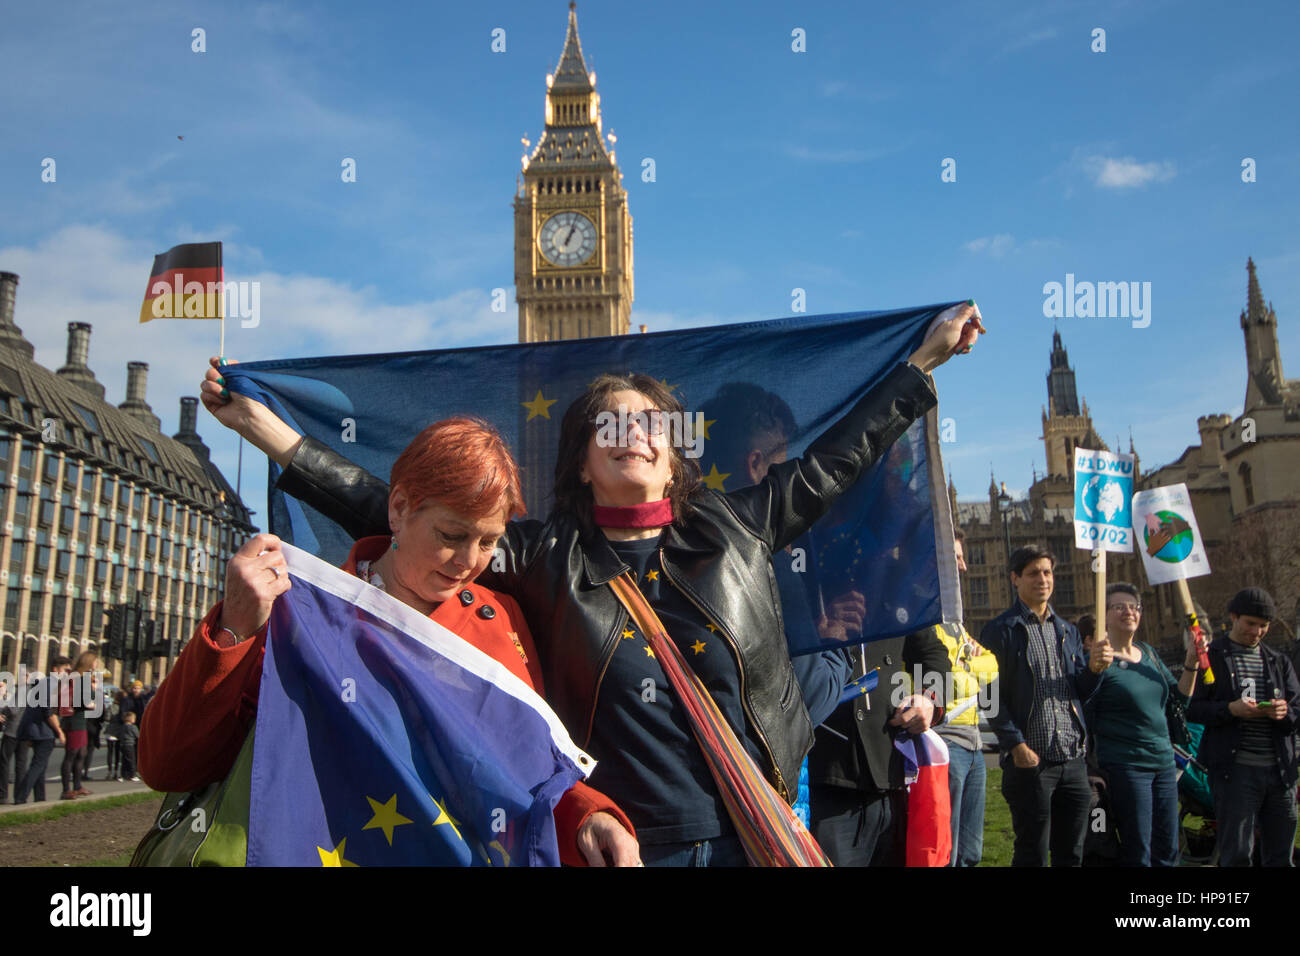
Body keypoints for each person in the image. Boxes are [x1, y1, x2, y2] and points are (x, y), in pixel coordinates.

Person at [201, 302, 984, 865]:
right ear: (582, 459)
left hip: (760, 821)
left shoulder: (740, 528)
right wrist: (265, 431)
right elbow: (393, 507)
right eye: (611, 424)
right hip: (633, 842)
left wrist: (923, 362)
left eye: (651, 424)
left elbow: (836, 459)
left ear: (674, 455)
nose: (633, 435)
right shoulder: (545, 558)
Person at [141, 418, 640, 867]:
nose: (469, 560)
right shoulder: (299, 614)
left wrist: (588, 816)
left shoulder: (498, 619)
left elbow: (521, 764)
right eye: (452, 533)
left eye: (488, 541)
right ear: (399, 509)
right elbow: (166, 763)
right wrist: (234, 629)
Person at [980, 545, 1111, 866]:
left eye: (1048, 572)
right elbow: (988, 694)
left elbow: (1079, 692)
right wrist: (1016, 745)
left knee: (1072, 853)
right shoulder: (999, 631)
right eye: (1034, 573)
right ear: (1015, 578)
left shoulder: (1066, 630)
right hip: (1031, 762)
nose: (1043, 579)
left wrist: (1094, 671)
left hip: (1072, 759)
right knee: (1033, 852)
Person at [1085, 582, 1198, 866]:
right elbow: (1085, 716)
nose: (1128, 612)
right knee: (1140, 850)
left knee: (1168, 849)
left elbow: (1179, 700)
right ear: (1105, 614)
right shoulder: (1099, 662)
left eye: (1134, 606)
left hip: (1163, 763)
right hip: (1127, 767)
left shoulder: (1148, 653)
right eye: (1119, 606)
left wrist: (1191, 663)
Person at [1187, 587, 1300, 866]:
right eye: (1251, 624)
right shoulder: (1211, 657)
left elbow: (1297, 711)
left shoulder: (1278, 661)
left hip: (1279, 771)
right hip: (1234, 773)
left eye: (1263, 626)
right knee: (1237, 854)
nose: (1257, 632)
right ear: (1234, 617)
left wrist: (1283, 712)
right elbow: (1193, 708)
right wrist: (1230, 710)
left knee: (1280, 854)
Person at [915, 528, 997, 867]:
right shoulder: (924, 618)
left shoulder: (955, 623)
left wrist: (965, 661)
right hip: (944, 743)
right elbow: (940, 679)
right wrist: (965, 663)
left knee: (970, 854)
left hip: (975, 745)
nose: (964, 567)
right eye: (957, 558)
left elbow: (991, 668)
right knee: (943, 851)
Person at [13, 656, 73, 804]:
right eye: (65, 670)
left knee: (41, 764)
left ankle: (40, 798)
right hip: (42, 730)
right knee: (38, 764)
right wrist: (59, 731)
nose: (67, 674)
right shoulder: (50, 684)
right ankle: (21, 797)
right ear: (55, 669)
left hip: (34, 729)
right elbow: (48, 711)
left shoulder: (44, 683)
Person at [58, 651, 100, 800]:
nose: (96, 664)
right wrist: (92, 701)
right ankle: (66, 789)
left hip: (80, 721)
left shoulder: (82, 677)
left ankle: (77, 785)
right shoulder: (81, 678)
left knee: (81, 753)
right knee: (72, 754)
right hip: (74, 721)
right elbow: (80, 700)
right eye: (95, 661)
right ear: (89, 662)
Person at [118, 711, 139, 781]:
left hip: (123, 744)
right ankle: (132, 775)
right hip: (130, 745)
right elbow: (137, 735)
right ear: (131, 719)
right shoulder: (133, 727)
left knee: (124, 760)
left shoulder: (122, 727)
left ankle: (123, 775)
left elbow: (119, 735)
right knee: (131, 760)